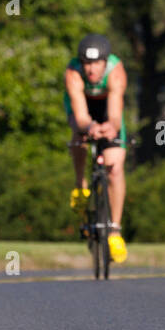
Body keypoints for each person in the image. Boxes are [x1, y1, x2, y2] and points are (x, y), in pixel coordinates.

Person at [64, 34, 128, 263]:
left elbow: (115, 115)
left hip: (107, 107)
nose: (91, 69)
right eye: (87, 63)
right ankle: (80, 183)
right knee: (79, 137)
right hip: (83, 108)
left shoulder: (116, 73)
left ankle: (115, 230)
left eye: (96, 63)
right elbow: (80, 115)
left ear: (105, 62)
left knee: (115, 167)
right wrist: (89, 126)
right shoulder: (73, 74)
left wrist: (111, 128)